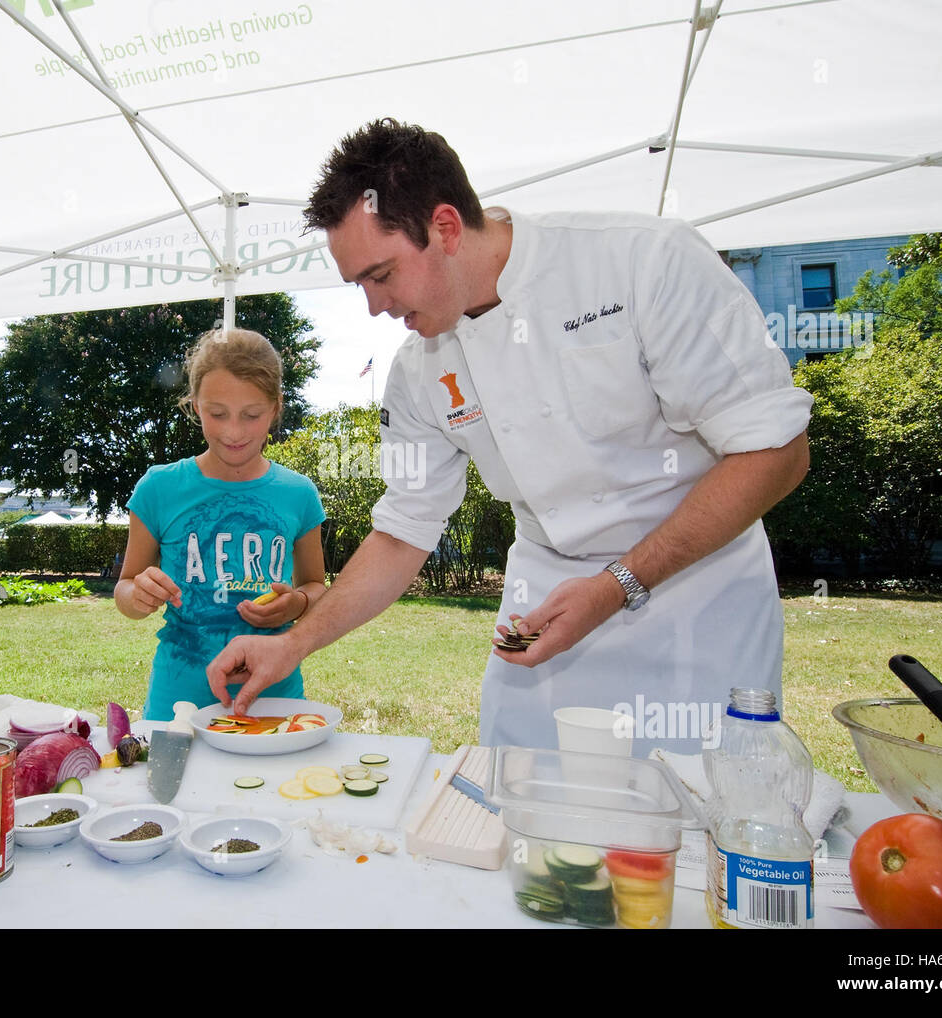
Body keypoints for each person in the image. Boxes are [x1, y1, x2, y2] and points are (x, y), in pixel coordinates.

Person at [206, 119, 813, 755]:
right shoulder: (417, 371)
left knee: (692, 829)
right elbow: (403, 530)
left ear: (444, 228)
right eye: (358, 284)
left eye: (380, 275)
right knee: (516, 814)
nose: (373, 306)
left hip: (696, 599)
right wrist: (294, 642)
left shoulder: (643, 261)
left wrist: (616, 587)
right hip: (543, 608)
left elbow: (775, 451)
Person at [115, 327, 327, 720]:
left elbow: (315, 586)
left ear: (276, 407)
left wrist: (294, 604)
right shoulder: (158, 488)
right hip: (178, 701)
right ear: (195, 405)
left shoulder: (298, 493)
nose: (233, 431)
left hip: (275, 697)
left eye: (251, 415)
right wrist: (137, 594)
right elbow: (125, 588)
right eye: (217, 413)